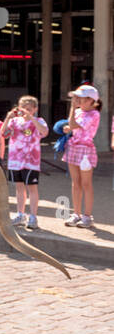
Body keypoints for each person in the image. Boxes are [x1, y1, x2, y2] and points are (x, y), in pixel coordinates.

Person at [2, 95, 47, 230]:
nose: (25, 111)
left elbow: (44, 132)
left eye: (29, 108)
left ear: (34, 109)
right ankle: (20, 214)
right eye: (23, 108)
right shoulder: (15, 121)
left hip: (31, 161)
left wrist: (31, 118)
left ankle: (33, 216)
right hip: (15, 160)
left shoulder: (39, 121)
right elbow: (3, 134)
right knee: (19, 188)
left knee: (32, 188)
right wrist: (8, 118)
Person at [61, 83, 101, 228]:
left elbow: (73, 124)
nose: (78, 100)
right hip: (73, 148)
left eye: (82, 98)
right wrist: (68, 127)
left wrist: (72, 108)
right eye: (77, 98)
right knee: (75, 183)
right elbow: (72, 126)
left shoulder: (94, 113)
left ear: (92, 100)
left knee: (86, 184)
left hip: (86, 151)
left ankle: (87, 216)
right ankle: (76, 214)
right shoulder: (78, 112)